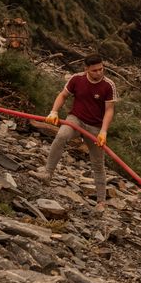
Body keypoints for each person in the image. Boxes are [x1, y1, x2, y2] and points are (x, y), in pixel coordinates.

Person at [38, 54, 115, 207]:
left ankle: (101, 201)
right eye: (94, 70)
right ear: (86, 69)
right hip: (75, 119)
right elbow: (63, 95)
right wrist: (54, 111)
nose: (99, 73)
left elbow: (109, 110)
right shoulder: (76, 79)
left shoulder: (108, 85)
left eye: (101, 69)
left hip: (95, 127)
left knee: (98, 163)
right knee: (61, 135)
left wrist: (104, 131)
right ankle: (47, 174)